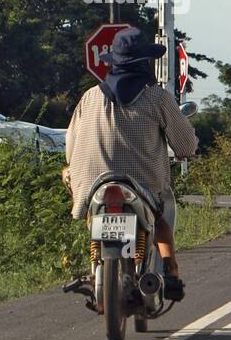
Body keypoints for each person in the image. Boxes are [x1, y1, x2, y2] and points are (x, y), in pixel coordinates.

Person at [65, 27, 198, 300]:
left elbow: (70, 146)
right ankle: (171, 270)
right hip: (143, 185)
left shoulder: (89, 97)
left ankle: (95, 264)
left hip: (92, 185)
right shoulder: (156, 98)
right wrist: (186, 151)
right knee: (162, 213)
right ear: (144, 64)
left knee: (91, 212)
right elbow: (186, 145)